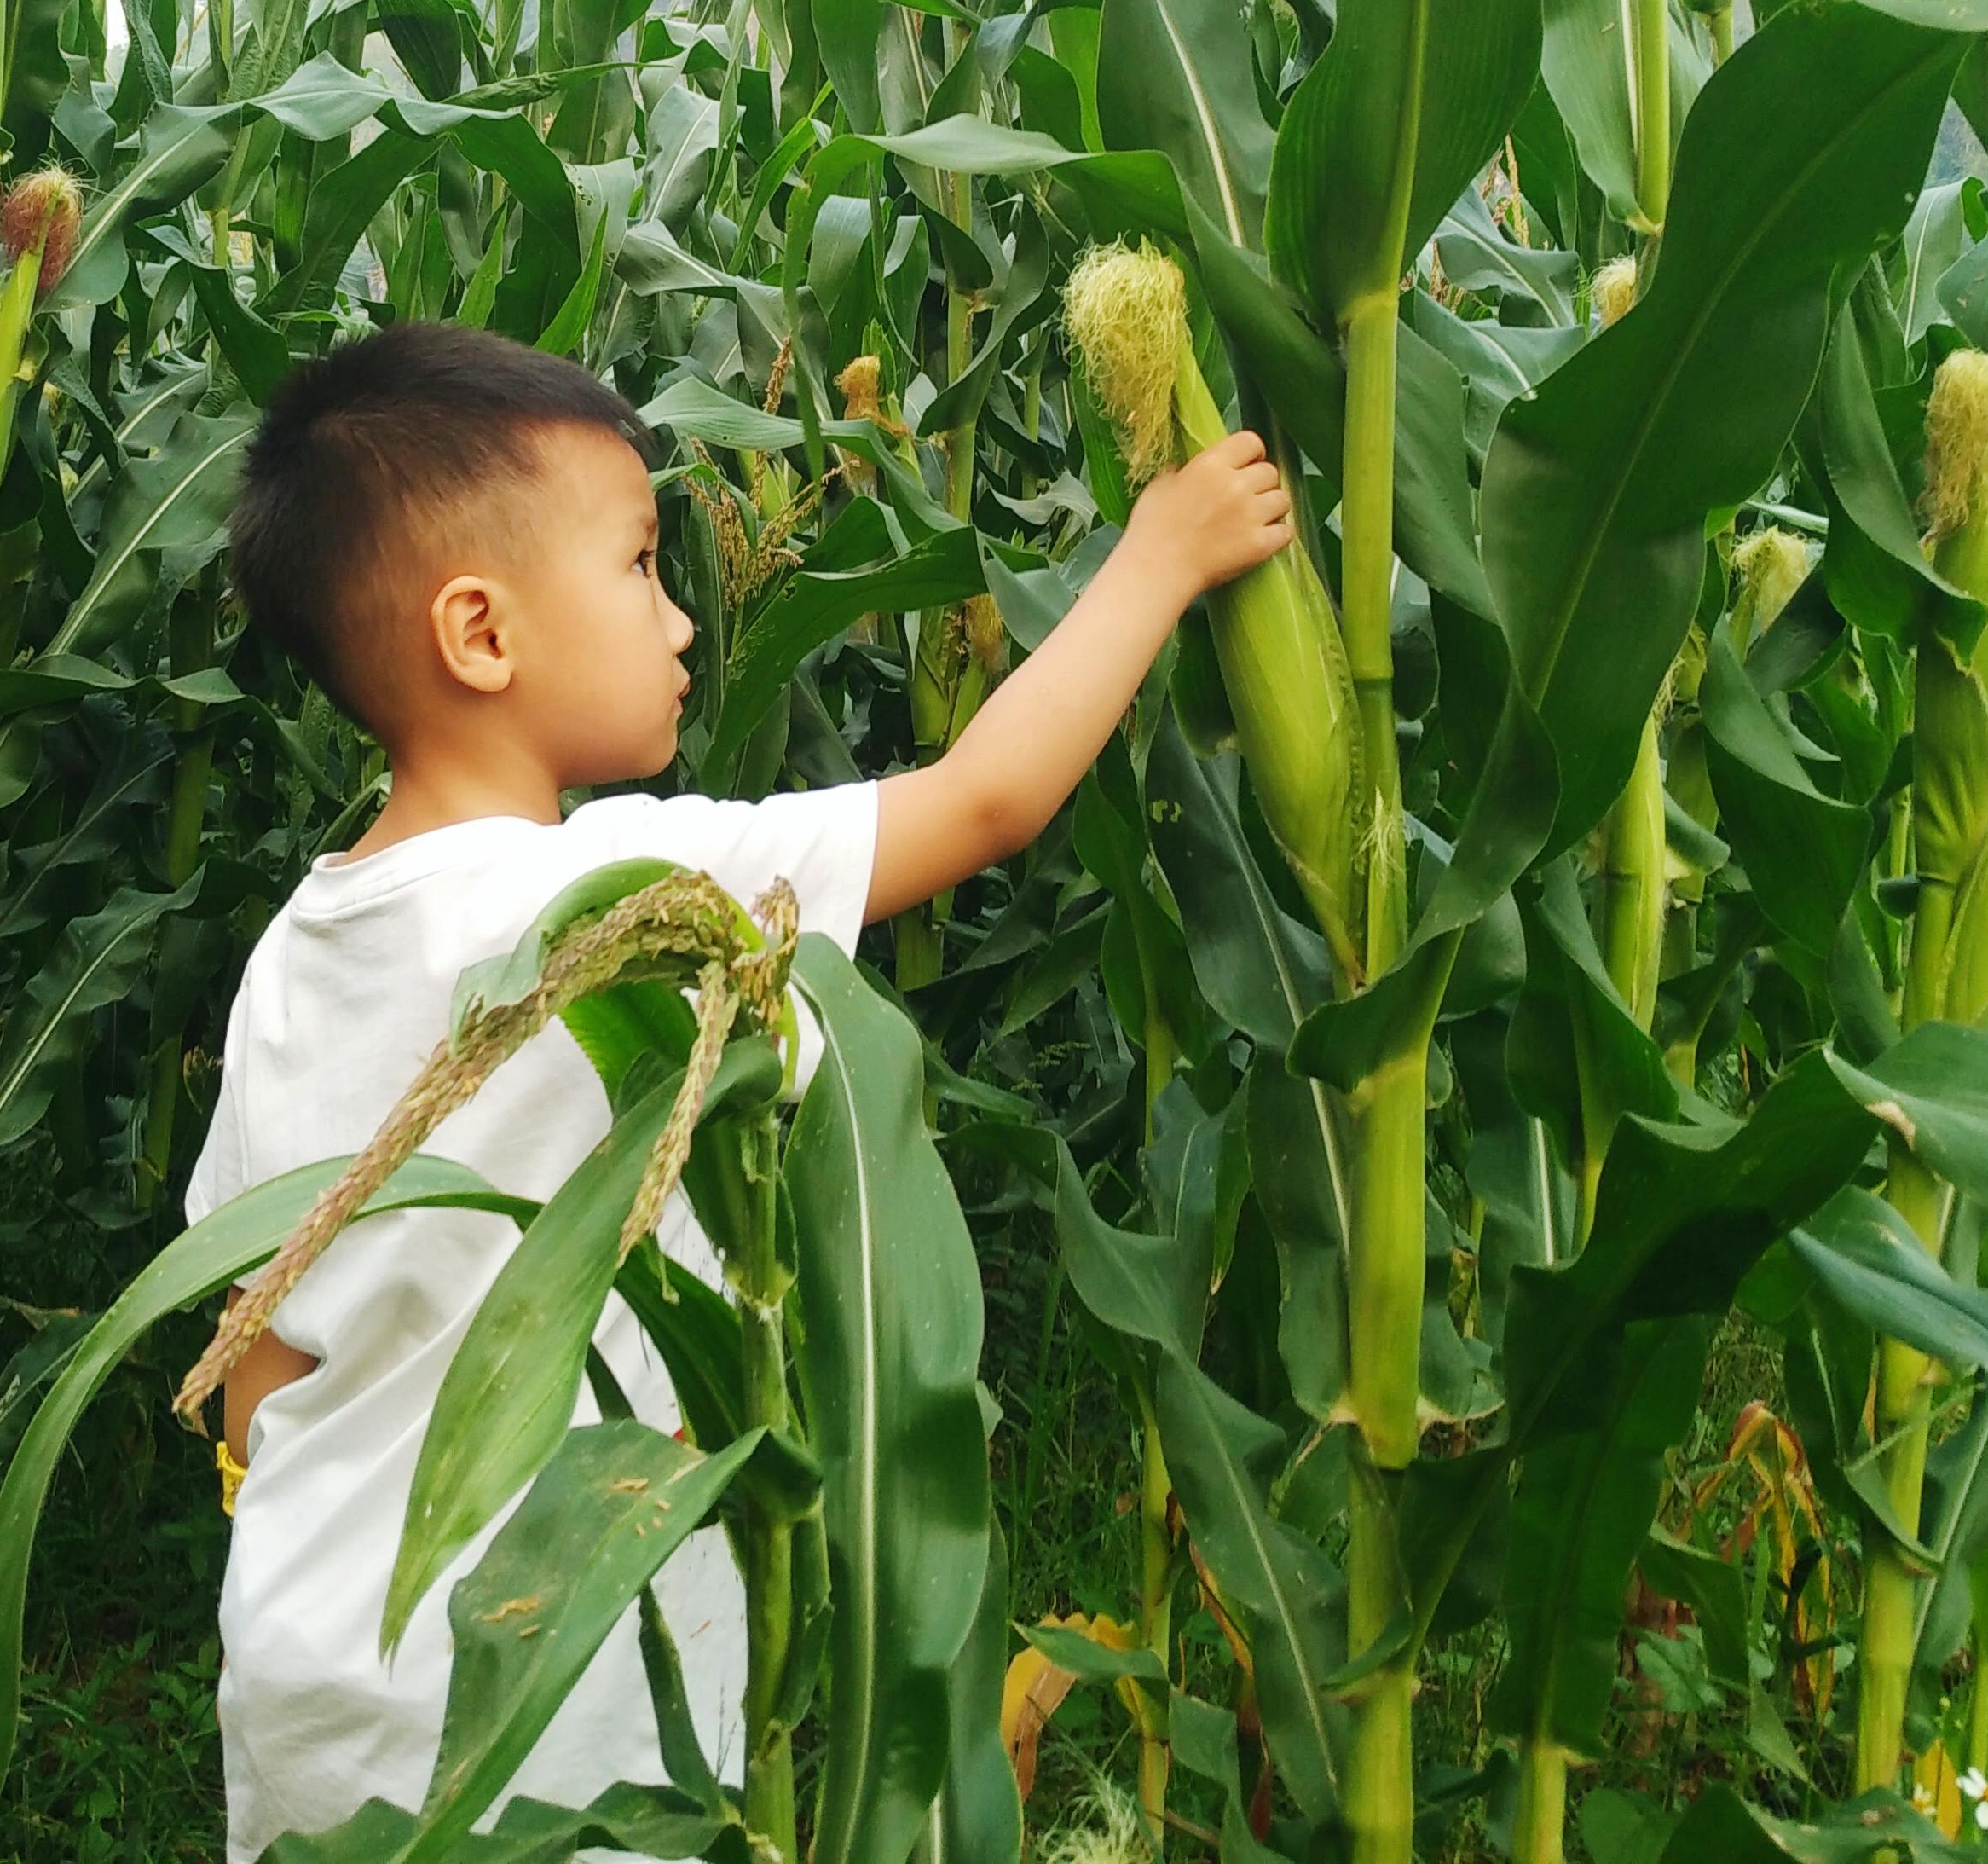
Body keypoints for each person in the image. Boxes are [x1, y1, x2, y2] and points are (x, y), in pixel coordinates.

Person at [189, 319, 1294, 1861]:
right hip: (555, 1704)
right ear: (480, 635)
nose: (684, 618)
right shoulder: (633, 896)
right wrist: (1161, 556)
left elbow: (258, 1357)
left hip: (311, 1691)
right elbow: (984, 796)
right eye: (641, 565)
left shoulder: (293, 959)